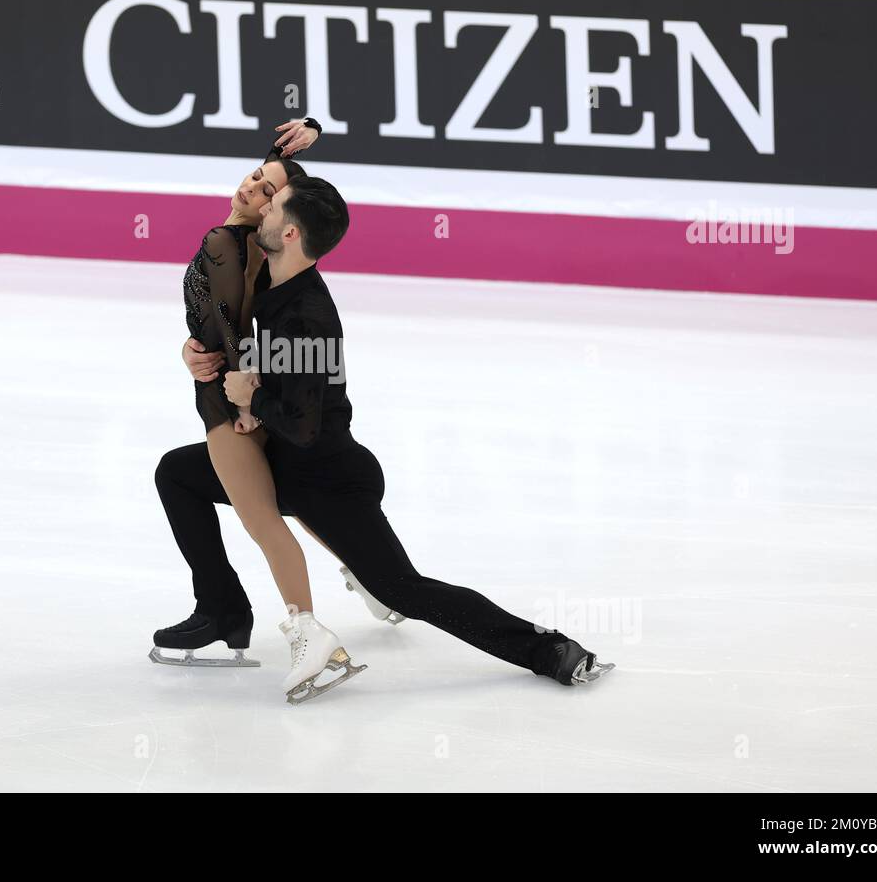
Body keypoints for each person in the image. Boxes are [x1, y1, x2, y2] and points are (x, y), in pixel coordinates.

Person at [158, 175, 616, 693]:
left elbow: (303, 426)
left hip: (327, 480)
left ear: (289, 234)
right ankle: (221, 606)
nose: (260, 210)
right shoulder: (277, 287)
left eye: (273, 206)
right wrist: (196, 353)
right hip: (289, 466)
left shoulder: (307, 317)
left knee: (406, 590)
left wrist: (250, 397)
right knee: (177, 473)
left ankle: (550, 649)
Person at [148, 119, 370, 703]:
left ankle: (306, 632)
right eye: (252, 176)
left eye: (268, 192)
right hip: (234, 383)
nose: (252, 188)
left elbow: (231, 325)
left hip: (229, 397)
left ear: (283, 217)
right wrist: (302, 135)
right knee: (282, 501)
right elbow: (276, 173)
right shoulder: (250, 233)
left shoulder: (227, 242)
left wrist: (233, 393)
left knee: (263, 519)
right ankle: (366, 580)